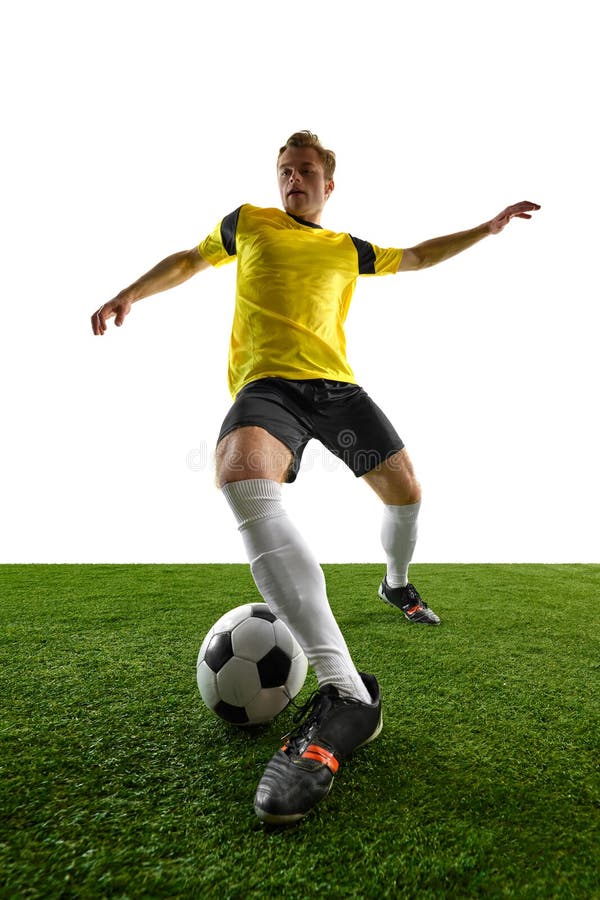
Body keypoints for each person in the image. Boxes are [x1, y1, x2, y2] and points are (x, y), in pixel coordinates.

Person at [92, 131, 539, 824]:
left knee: (408, 495)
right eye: (284, 171)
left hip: (336, 391)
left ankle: (395, 584)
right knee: (240, 473)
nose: (292, 179)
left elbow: (418, 256)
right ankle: (346, 690)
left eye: (305, 171)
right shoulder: (249, 222)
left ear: (329, 185)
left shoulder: (346, 247)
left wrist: (486, 228)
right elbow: (189, 259)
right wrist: (131, 293)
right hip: (269, 387)